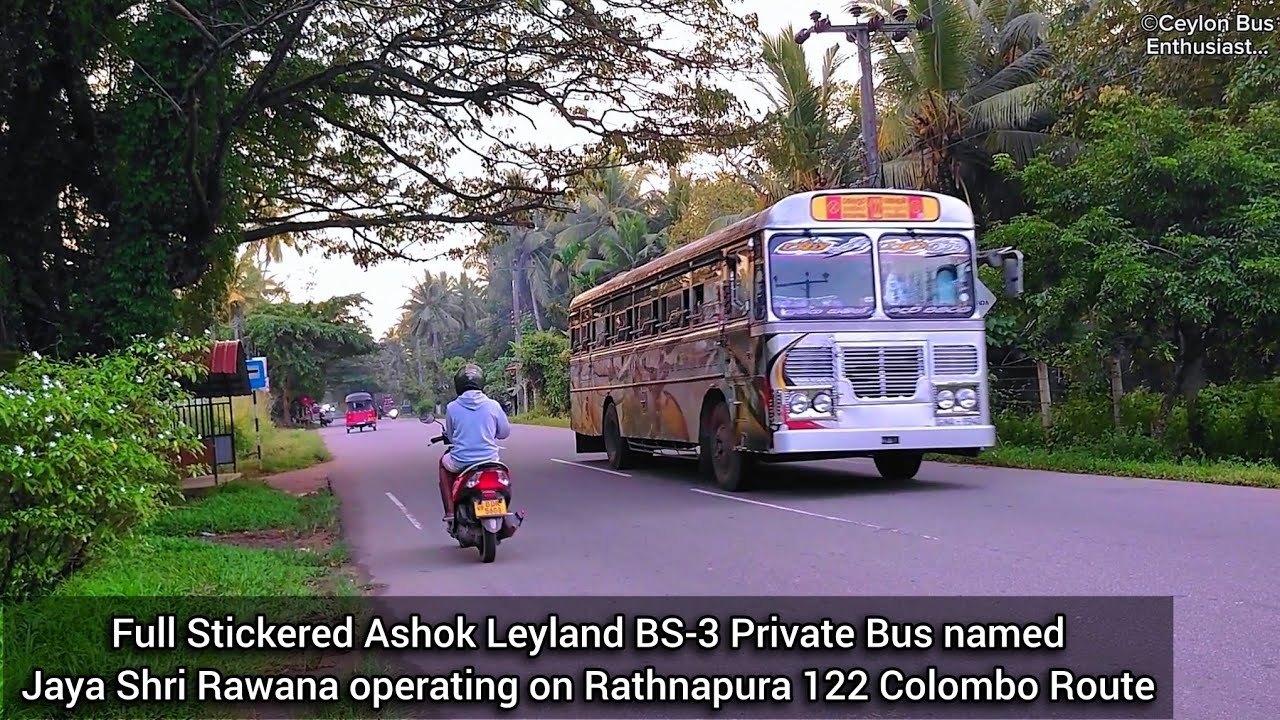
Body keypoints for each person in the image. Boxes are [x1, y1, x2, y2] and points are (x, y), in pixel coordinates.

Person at [438, 363, 511, 521]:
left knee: (443, 464)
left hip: (461, 461)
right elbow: (504, 433)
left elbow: (451, 436)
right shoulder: (493, 405)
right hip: (490, 460)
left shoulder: (452, 407)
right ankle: (504, 508)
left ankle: (450, 511)